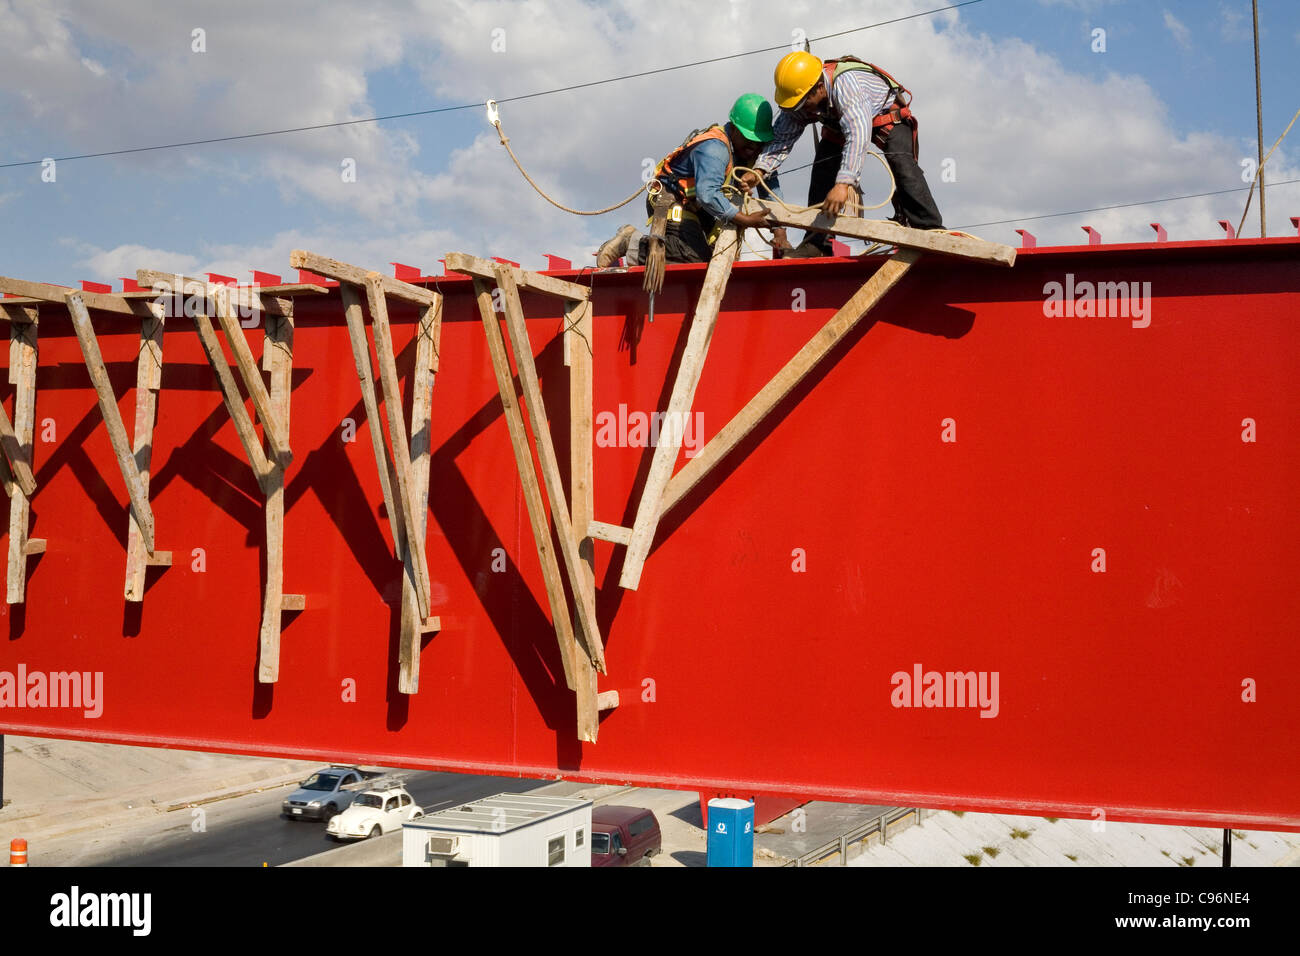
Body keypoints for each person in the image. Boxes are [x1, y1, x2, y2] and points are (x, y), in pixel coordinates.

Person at [741, 51, 944, 257]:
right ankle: (818, 243)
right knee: (822, 169)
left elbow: (857, 135)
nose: (800, 110)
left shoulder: (847, 87)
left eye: (803, 104)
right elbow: (782, 139)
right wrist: (759, 170)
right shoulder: (803, 99)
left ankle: (931, 231)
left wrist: (843, 184)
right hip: (839, 125)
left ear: (819, 88)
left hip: (887, 116)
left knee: (902, 163)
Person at [596, 93, 790, 267]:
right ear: (735, 129)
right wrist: (745, 220)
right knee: (695, 258)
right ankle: (631, 242)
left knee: (717, 256)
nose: (754, 147)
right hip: (672, 201)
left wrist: (780, 233)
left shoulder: (753, 154)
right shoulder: (715, 148)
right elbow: (708, 195)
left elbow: (770, 189)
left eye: (759, 142)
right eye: (749, 140)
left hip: (700, 209)